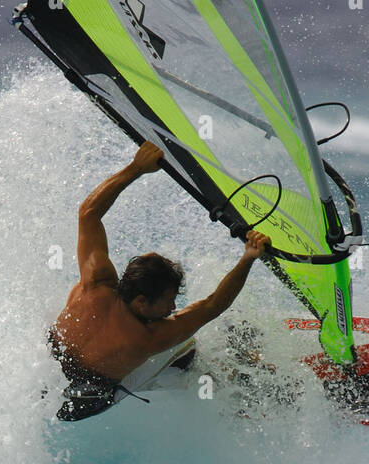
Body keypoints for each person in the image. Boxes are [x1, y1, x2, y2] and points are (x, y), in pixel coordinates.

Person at [50, 140, 272, 419]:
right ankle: (239, 385)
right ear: (141, 302)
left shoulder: (96, 282)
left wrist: (136, 168)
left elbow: (88, 214)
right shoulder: (148, 338)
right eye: (168, 302)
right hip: (87, 400)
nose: (172, 308)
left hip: (47, 372)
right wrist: (248, 258)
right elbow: (213, 306)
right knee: (186, 350)